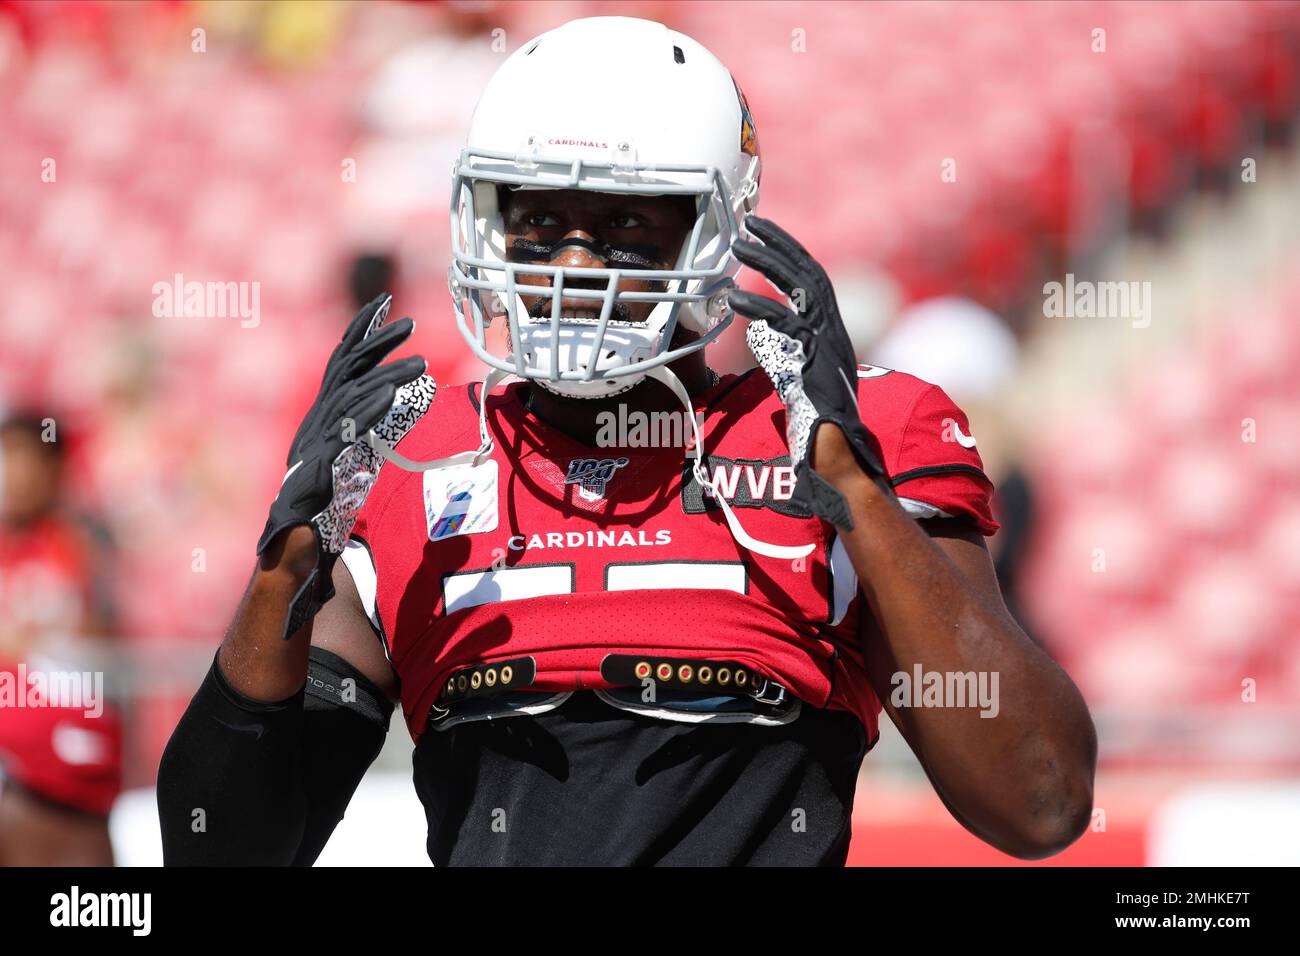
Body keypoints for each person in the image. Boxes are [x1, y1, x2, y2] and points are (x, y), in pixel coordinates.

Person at [159, 16, 1095, 866]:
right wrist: (280, 577)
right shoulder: (411, 463)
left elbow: (1040, 801)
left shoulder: (841, 441)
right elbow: (222, 855)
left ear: (714, 230)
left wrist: (862, 504)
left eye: (624, 224)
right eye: (536, 223)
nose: (571, 264)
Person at [0, 413, 121, 866]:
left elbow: (97, 645)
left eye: (21, 457)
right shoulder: (7, 543)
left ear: (54, 467)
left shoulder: (81, 543)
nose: (11, 474)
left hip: (64, 773)